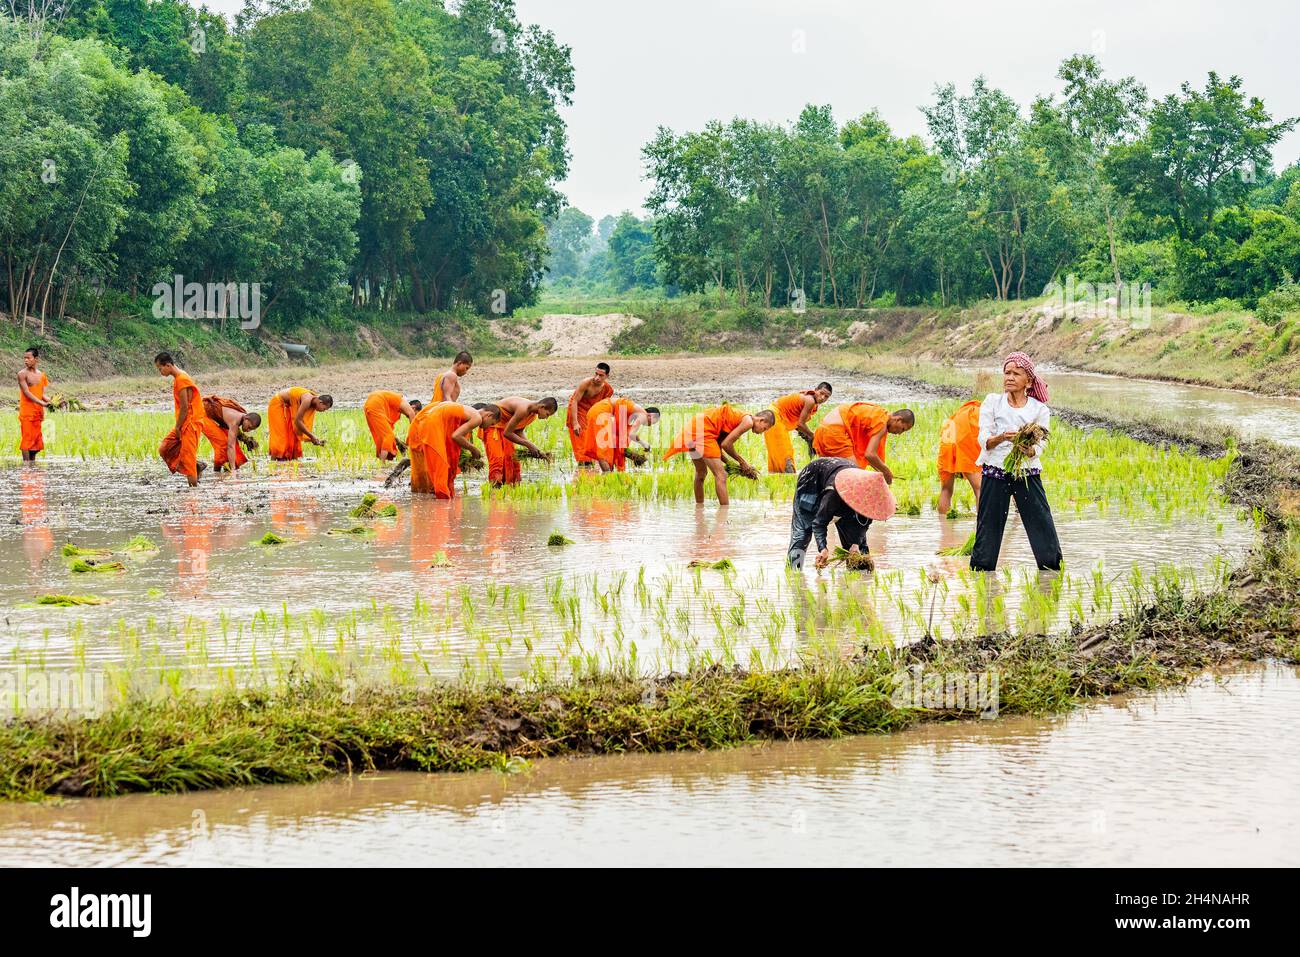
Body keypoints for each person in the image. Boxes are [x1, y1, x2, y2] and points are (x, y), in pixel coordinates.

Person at [970, 352, 1062, 572]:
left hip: (1027, 473)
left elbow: (1041, 445)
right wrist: (1001, 437)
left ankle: (1051, 568)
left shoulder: (1039, 409)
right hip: (996, 472)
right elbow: (983, 438)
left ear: (1028, 381)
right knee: (988, 526)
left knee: (1041, 522)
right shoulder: (993, 402)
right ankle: (982, 572)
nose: (1009, 377)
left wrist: (1028, 450)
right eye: (1007, 373)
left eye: (1016, 374)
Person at [663, 404, 774, 505]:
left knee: (701, 472)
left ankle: (699, 510)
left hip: (694, 430)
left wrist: (731, 464)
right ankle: (724, 516)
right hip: (703, 433)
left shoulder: (740, 418)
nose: (761, 433)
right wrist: (742, 462)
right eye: (764, 428)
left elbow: (718, 448)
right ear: (761, 420)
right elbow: (727, 445)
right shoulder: (748, 422)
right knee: (721, 476)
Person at [786, 459, 877, 570]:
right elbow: (819, 523)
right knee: (802, 535)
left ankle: (861, 581)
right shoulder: (834, 493)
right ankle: (794, 572)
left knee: (857, 553)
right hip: (812, 481)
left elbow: (865, 521)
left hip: (841, 480)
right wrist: (823, 549)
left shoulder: (870, 494)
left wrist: (856, 543)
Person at [408, 401, 499, 498]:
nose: (488, 427)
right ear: (489, 415)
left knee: (432, 466)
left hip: (422, 421)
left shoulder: (468, 410)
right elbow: (456, 436)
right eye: (492, 423)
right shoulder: (477, 418)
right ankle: (443, 501)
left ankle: (426, 496)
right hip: (431, 425)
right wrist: (473, 449)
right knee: (441, 468)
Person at [812, 402, 913, 481]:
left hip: (823, 429)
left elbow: (871, 458)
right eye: (903, 429)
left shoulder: (880, 414)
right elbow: (870, 454)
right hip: (835, 432)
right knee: (855, 475)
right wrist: (886, 471)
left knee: (831, 473)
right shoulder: (882, 422)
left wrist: (882, 471)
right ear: (898, 419)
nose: (900, 433)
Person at [482, 396, 557, 485]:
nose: (546, 418)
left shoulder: (532, 415)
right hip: (492, 425)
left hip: (505, 428)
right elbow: (508, 433)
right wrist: (528, 444)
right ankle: (494, 489)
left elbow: (518, 430)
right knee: (497, 460)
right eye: (547, 414)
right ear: (542, 407)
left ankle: (508, 489)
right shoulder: (523, 409)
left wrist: (532, 447)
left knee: (512, 460)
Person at [155, 352, 204, 487]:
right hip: (185, 422)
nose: (160, 372)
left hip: (190, 423)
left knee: (188, 461)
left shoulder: (182, 379)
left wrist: (178, 427)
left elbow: (185, 408)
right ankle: (197, 465)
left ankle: (193, 493)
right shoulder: (180, 376)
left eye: (160, 368)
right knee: (164, 448)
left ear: (168, 365)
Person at [764, 383, 832, 473]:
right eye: (821, 393)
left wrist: (808, 438)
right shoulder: (810, 401)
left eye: (826, 396)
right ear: (815, 390)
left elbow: (797, 423)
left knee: (777, 454)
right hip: (774, 418)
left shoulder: (813, 404)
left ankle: (778, 480)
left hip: (774, 417)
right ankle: (788, 478)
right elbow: (800, 425)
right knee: (785, 454)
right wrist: (813, 437)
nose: (823, 397)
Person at [586, 397, 660, 472]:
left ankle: (608, 476)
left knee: (609, 446)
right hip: (600, 411)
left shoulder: (636, 412)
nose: (650, 425)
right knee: (604, 450)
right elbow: (631, 434)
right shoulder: (643, 414)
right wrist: (643, 443)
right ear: (650, 415)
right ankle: (607, 476)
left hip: (596, 410)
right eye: (653, 422)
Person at [937, 399, 983, 514]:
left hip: (947, 441)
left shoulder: (960, 413)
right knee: (980, 488)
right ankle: (983, 527)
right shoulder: (980, 413)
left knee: (946, 489)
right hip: (964, 440)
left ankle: (944, 528)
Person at [566, 362, 613, 467]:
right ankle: (584, 464)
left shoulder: (608, 390)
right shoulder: (586, 383)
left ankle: (590, 467)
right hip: (577, 410)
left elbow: (603, 408)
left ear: (607, 376)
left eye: (601, 375)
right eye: (596, 374)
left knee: (592, 439)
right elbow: (574, 401)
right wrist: (575, 423)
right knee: (581, 440)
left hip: (591, 413)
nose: (597, 378)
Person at [267, 387, 332, 460]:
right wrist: (311, 436)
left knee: (293, 436)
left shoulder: (313, 404)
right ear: (320, 402)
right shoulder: (307, 400)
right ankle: (272, 463)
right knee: (280, 435)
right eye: (324, 409)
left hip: (288, 406)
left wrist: (314, 439)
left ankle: (293, 462)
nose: (323, 411)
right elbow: (298, 421)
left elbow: (301, 426)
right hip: (277, 403)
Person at [201, 396, 261, 472]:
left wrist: (245, 439)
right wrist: (233, 470)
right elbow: (230, 446)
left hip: (207, 410)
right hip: (200, 413)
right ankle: (217, 469)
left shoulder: (242, 415)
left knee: (232, 442)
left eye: (251, 429)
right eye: (249, 427)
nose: (248, 430)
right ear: (246, 418)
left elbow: (234, 433)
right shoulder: (234, 421)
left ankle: (223, 468)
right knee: (223, 443)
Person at [363, 391, 422, 461]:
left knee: (382, 435)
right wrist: (411, 445)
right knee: (388, 436)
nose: (414, 416)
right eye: (416, 414)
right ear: (414, 407)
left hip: (370, 403)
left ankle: (380, 461)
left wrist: (399, 442)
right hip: (376, 403)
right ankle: (382, 464)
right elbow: (413, 429)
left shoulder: (397, 406)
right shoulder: (410, 409)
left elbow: (387, 429)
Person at [17, 347, 50, 462]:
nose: (26, 360)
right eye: (24, 358)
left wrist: (52, 402)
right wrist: (42, 403)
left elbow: (42, 394)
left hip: (38, 412)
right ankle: (26, 466)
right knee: (27, 439)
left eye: (28, 358)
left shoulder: (42, 375)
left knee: (36, 441)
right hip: (27, 412)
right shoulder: (22, 374)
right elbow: (26, 393)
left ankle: (33, 465)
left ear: (36, 359)